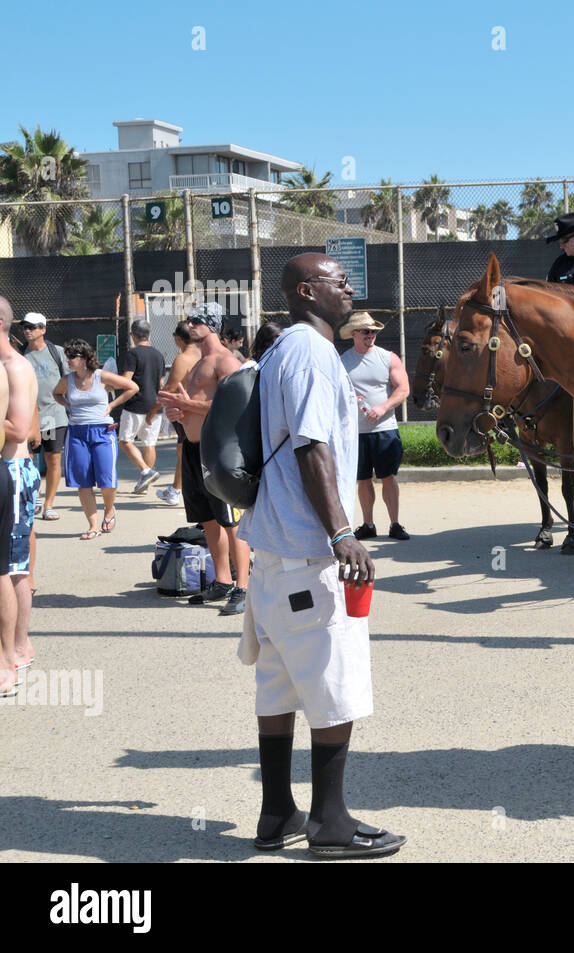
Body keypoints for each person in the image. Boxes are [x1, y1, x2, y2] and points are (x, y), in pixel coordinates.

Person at [237, 252, 404, 858]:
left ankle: (276, 811)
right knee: (333, 690)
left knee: (278, 691)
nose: (349, 288)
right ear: (308, 290)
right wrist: (342, 533)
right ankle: (329, 823)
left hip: (272, 558)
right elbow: (312, 447)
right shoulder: (309, 350)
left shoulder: (282, 348)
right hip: (309, 555)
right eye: (339, 281)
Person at [157, 303, 250, 614]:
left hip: (218, 449)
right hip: (194, 448)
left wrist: (189, 407)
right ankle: (222, 580)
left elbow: (233, 410)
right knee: (208, 520)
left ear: (212, 324)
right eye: (189, 319)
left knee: (231, 523)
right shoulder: (196, 362)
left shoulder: (226, 361)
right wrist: (178, 412)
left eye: (196, 320)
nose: (189, 324)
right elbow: (194, 405)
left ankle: (243, 586)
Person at [51, 339, 138, 540]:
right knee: (83, 480)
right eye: (68, 356)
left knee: (106, 478)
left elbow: (132, 387)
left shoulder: (101, 376)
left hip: (103, 431)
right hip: (77, 432)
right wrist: (67, 405)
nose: (68, 360)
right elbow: (56, 393)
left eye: (73, 356)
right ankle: (92, 525)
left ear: (85, 358)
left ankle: (109, 509)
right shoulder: (68, 379)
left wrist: (112, 405)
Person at [339, 312, 411, 541]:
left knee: (388, 477)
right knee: (362, 479)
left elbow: (403, 389)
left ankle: (395, 524)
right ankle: (368, 524)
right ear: (354, 334)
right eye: (365, 331)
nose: (371, 335)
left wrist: (383, 407)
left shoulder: (388, 358)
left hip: (385, 430)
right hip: (355, 432)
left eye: (373, 332)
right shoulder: (343, 361)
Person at [20, 313, 68, 521]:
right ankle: (33, 498)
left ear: (43, 329)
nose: (27, 330)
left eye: (32, 327)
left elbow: (69, 379)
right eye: (24, 327)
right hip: (27, 417)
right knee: (27, 460)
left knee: (53, 459)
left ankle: (49, 504)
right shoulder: (20, 354)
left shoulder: (56, 353)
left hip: (54, 417)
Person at [118, 319, 166, 494]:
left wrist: (111, 383)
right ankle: (146, 479)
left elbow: (126, 380)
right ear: (149, 334)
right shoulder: (159, 355)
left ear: (132, 335)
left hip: (135, 405)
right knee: (149, 444)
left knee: (125, 441)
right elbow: (161, 382)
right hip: (155, 406)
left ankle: (146, 472)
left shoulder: (133, 354)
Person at [0, 300, 21, 697]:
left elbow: (19, 431)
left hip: (11, 468)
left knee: (11, 568)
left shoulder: (10, 368)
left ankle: (8, 659)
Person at [155, 322, 201, 506]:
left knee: (185, 453)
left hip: (187, 414)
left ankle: (176, 491)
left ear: (178, 339)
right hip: (197, 412)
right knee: (184, 452)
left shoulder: (183, 358)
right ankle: (175, 489)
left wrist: (153, 411)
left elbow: (169, 388)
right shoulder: (202, 355)